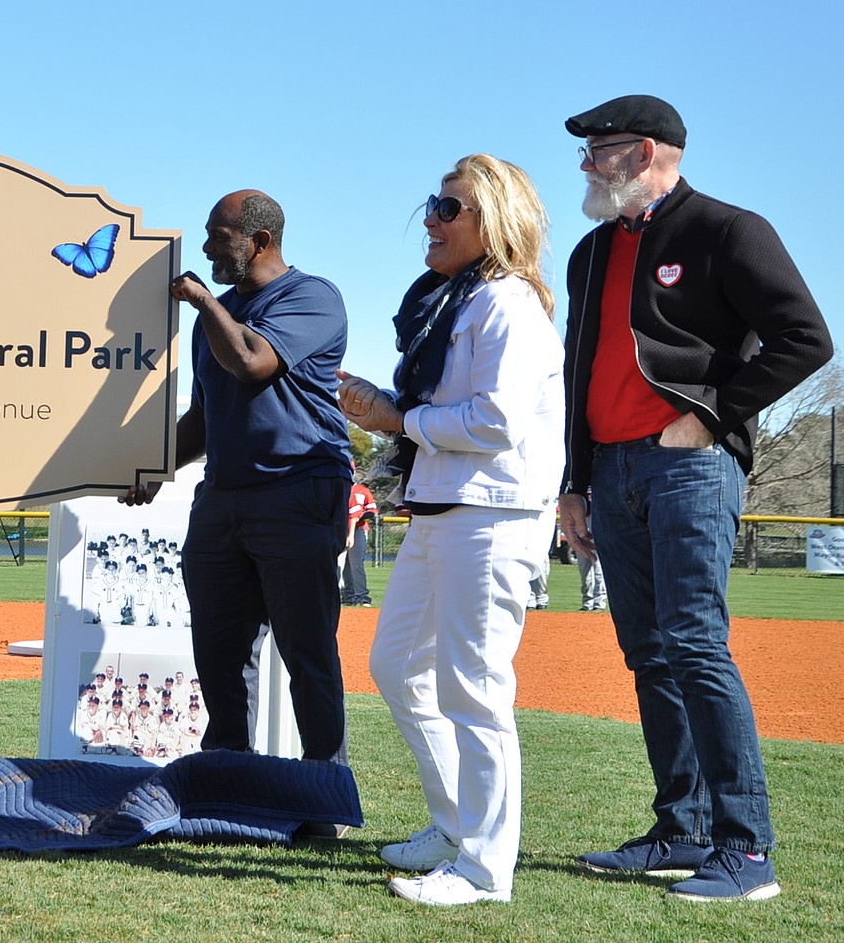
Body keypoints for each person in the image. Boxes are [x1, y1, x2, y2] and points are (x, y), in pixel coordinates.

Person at [558, 95, 831, 902]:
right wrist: (574, 481)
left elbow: (804, 338)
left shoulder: (727, 229)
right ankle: (682, 831)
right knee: (648, 654)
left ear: (646, 153)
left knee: (695, 643)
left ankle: (747, 850)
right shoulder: (591, 251)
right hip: (609, 471)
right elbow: (580, 375)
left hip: (690, 467)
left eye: (598, 151)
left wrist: (709, 418)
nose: (585, 165)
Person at [339, 154, 565, 906]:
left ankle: (485, 870)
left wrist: (397, 417)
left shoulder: (507, 303)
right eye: (433, 203)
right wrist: (383, 406)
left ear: (494, 222)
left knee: (475, 690)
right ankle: (455, 826)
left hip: (494, 517)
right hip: (443, 511)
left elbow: (495, 423)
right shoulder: (455, 301)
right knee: (397, 667)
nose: (430, 219)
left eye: (450, 208)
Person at [121, 190, 352, 765]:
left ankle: (325, 791)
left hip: (298, 491)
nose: (205, 247)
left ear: (261, 242)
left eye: (219, 237)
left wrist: (203, 304)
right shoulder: (216, 318)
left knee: (307, 653)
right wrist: (156, 466)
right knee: (219, 654)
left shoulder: (311, 297)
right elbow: (203, 417)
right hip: (223, 499)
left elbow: (252, 362)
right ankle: (229, 780)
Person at [340, 472, 377, 607]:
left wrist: (363, 516)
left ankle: (362, 596)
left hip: (358, 529)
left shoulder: (363, 490)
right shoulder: (339, 487)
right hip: (340, 529)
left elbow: (372, 510)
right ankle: (348, 596)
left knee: (356, 564)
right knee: (343, 566)